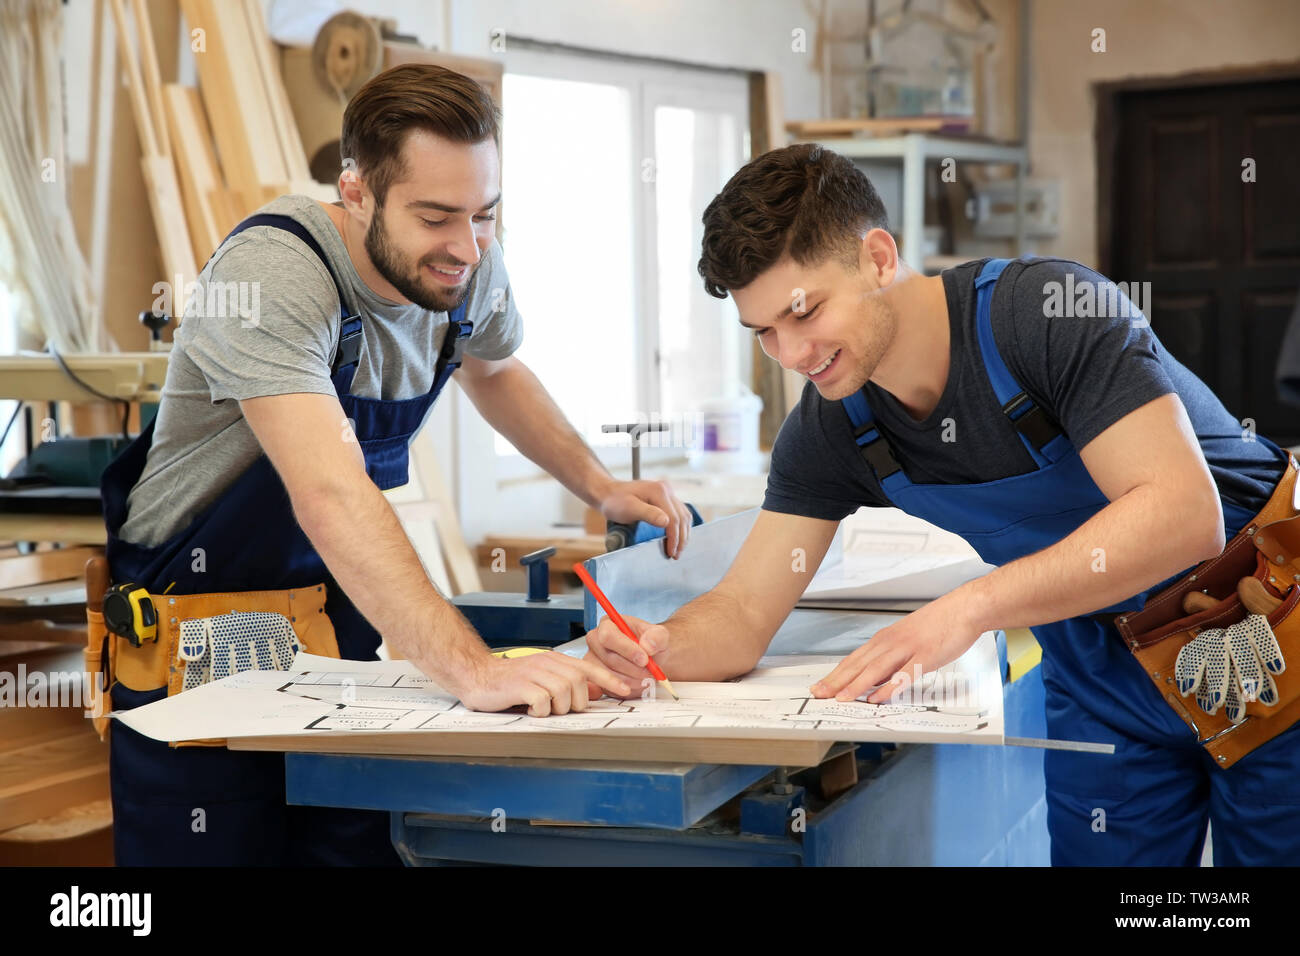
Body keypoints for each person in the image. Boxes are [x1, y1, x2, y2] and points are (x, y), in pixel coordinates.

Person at [584, 143, 1299, 865]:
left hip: (1267, 621)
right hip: (1098, 669)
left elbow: (1181, 514)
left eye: (804, 312)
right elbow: (741, 614)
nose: (791, 351)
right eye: (764, 330)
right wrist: (665, 645)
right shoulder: (833, 427)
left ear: (878, 257)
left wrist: (969, 608)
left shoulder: (1045, 316)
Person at [101, 64, 691, 865]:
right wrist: (471, 667)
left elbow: (495, 368)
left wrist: (597, 483)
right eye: (436, 216)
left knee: (348, 848)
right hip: (197, 637)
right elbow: (329, 493)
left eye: (484, 213)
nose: (467, 247)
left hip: (327, 627)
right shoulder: (275, 271)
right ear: (356, 193)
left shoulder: (471, 262)